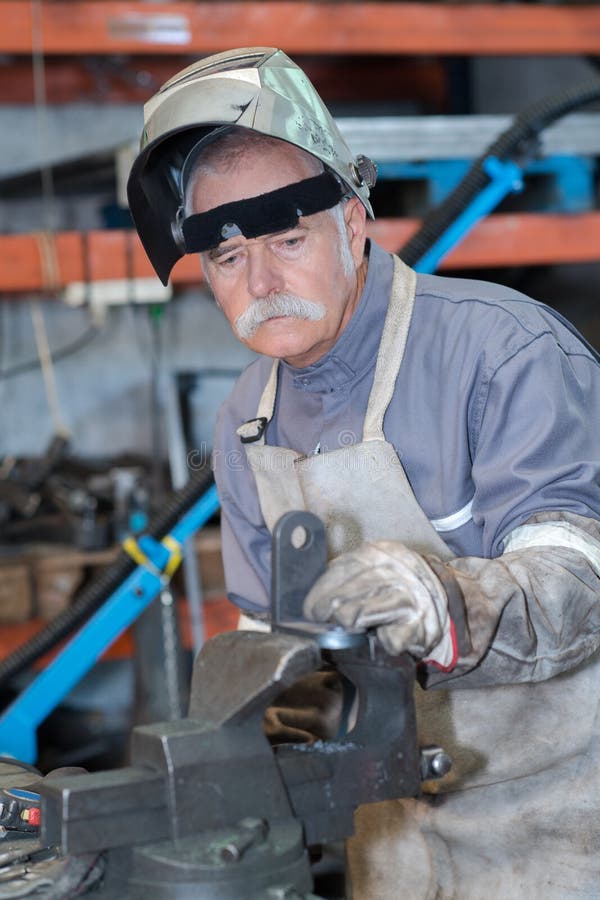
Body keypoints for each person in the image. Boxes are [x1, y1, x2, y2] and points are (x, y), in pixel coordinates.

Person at [127, 48, 600, 899]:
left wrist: (450, 606)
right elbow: (268, 642)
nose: (261, 281)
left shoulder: (502, 352)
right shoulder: (246, 419)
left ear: (352, 224)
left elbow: (580, 579)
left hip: (560, 832)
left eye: (287, 239)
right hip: (390, 847)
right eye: (227, 259)